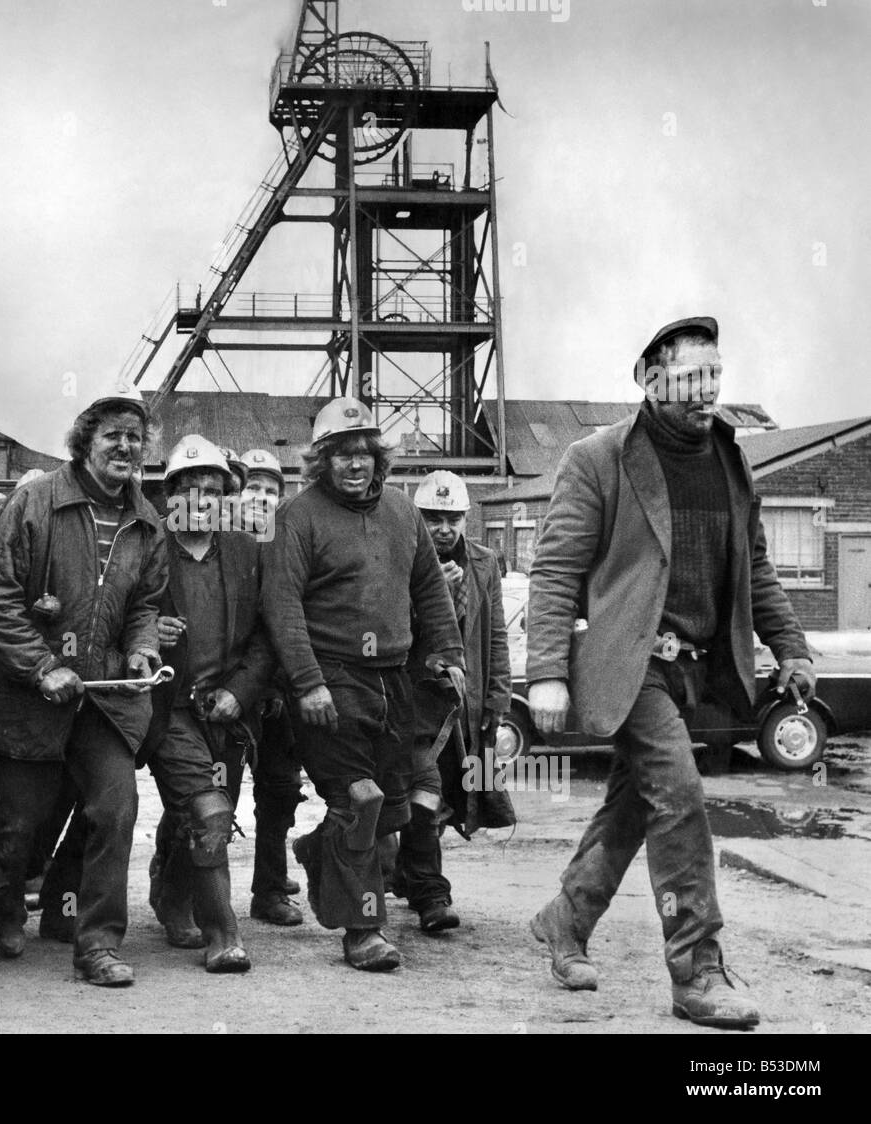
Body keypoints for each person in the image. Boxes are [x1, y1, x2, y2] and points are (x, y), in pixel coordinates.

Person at [526, 315, 815, 1029]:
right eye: (690, 377)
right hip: (633, 665)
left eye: (714, 375)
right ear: (650, 381)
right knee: (680, 798)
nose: (706, 390)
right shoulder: (598, 457)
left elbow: (757, 567)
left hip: (697, 668)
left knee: (636, 802)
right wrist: (546, 674)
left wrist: (792, 647)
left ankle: (566, 917)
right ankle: (698, 972)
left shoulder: (729, 457)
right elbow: (556, 570)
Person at [0, 388, 167, 987]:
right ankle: (3, 911)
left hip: (104, 698)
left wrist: (142, 645)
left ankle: (98, 944)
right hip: (33, 695)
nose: (125, 447)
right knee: (20, 821)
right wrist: (41, 665)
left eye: (135, 437)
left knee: (116, 808)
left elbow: (146, 603)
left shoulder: (148, 520)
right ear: (85, 443)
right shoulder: (34, 501)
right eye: (113, 436)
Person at [262, 397, 465, 971]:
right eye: (341, 454)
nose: (355, 464)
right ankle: (363, 932)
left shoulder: (403, 513)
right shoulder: (296, 518)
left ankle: (316, 851)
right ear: (321, 461)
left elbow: (429, 588)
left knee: (393, 811)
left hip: (395, 682)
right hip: (332, 681)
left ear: (380, 459)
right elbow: (282, 605)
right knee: (359, 804)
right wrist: (307, 682)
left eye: (364, 453)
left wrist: (448, 654)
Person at [143, 434, 273, 972]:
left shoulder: (247, 549)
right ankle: (224, 934)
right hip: (169, 707)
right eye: (189, 488)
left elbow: (269, 636)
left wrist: (239, 693)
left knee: (198, 816)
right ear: (171, 492)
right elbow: (111, 612)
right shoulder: (146, 545)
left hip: (228, 713)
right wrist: (145, 628)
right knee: (209, 811)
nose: (201, 499)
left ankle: (172, 897)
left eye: (214, 491)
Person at [396, 471, 512, 933]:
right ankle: (431, 892)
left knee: (453, 794)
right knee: (423, 796)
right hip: (413, 700)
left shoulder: (485, 563)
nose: (444, 529)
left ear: (466, 520)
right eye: (433, 519)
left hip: (464, 702)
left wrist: (496, 701)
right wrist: (429, 593)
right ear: (419, 520)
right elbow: (392, 628)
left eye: (453, 519)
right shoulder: (401, 561)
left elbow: (497, 635)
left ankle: (411, 873)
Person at [238, 447, 305, 927]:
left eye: (270, 491)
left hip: (278, 695)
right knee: (203, 795)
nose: (260, 498)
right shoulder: (216, 543)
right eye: (252, 488)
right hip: (226, 692)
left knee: (278, 793)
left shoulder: (289, 544)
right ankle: (174, 883)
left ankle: (269, 887)